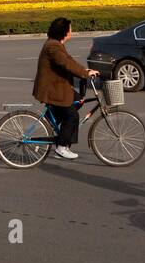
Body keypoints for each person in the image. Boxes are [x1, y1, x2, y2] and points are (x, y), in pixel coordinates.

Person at [33, 17, 99, 160]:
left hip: (57, 85)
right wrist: (85, 73)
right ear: (64, 31)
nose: (71, 31)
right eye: (70, 28)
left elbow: (69, 61)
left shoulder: (56, 44)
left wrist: (84, 70)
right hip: (53, 89)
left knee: (78, 101)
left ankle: (57, 129)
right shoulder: (53, 47)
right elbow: (67, 64)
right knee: (72, 116)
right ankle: (62, 146)